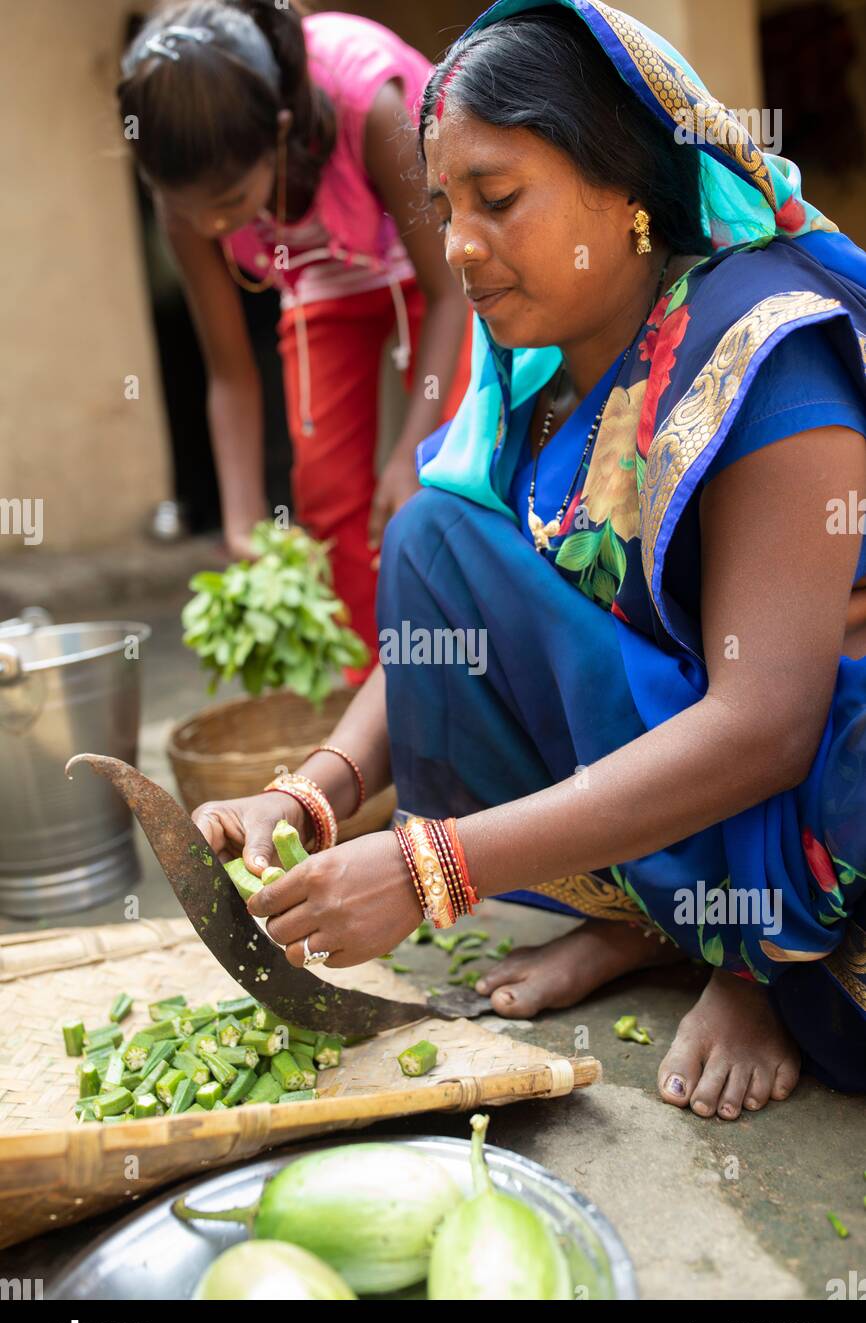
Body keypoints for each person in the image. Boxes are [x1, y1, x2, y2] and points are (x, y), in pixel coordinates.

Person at [193, 0, 866, 1120]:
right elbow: (447, 611)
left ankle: (754, 963)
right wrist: (315, 794)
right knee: (432, 539)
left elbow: (767, 723)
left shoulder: (766, 354)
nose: (456, 244)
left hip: (812, 787)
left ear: (626, 186)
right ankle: (643, 924)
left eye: (497, 199)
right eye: (444, 207)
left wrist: (429, 869)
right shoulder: (529, 374)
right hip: (695, 745)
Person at [119, 0, 472, 681]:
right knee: (325, 493)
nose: (214, 222)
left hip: (433, 265)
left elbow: (449, 292)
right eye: (195, 212)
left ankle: (470, 674)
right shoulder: (186, 194)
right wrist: (243, 516)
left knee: (444, 474)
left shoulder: (369, 106)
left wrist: (408, 453)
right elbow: (229, 371)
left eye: (230, 200)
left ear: (277, 135)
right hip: (322, 279)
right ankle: (372, 691)